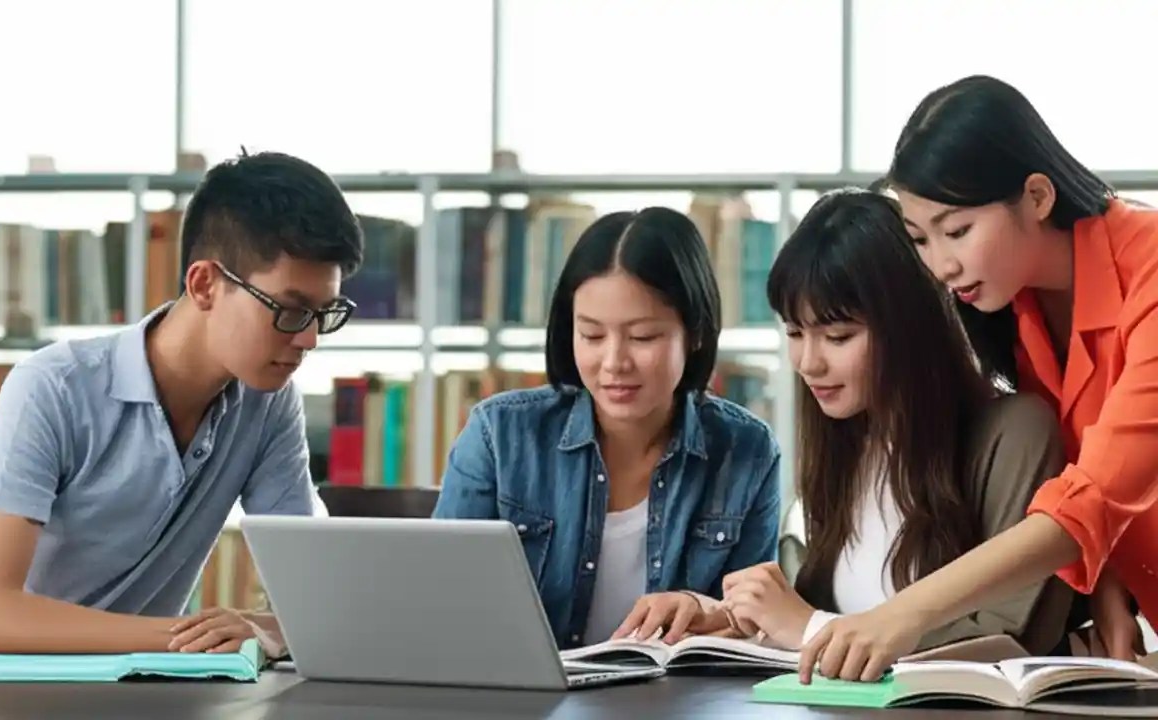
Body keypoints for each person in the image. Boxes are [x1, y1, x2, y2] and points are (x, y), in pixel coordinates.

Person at [798, 74, 1158, 683]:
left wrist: (901, 615)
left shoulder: (1150, 272)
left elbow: (1096, 494)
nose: (941, 265)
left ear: (1037, 196)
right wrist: (1108, 583)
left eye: (957, 231)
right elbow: (1097, 482)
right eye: (920, 239)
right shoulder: (1020, 309)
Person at [0, 150, 363, 655]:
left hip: (138, 685)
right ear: (204, 285)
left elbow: (308, 598)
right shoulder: (52, 387)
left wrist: (269, 628)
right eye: (290, 309)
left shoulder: (268, 404)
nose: (310, 339)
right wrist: (195, 637)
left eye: (326, 313)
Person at [716, 188, 1081, 658]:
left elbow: (1013, 637)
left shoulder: (1015, 434)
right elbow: (815, 622)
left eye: (838, 336)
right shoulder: (845, 442)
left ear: (908, 328)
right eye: (794, 332)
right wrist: (737, 620)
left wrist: (809, 628)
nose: (809, 362)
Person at [433, 206, 781, 649]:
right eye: (592, 336)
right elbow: (440, 601)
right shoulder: (499, 435)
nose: (614, 362)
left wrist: (704, 609)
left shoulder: (746, 451)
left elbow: (751, 629)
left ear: (695, 332)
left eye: (642, 337)